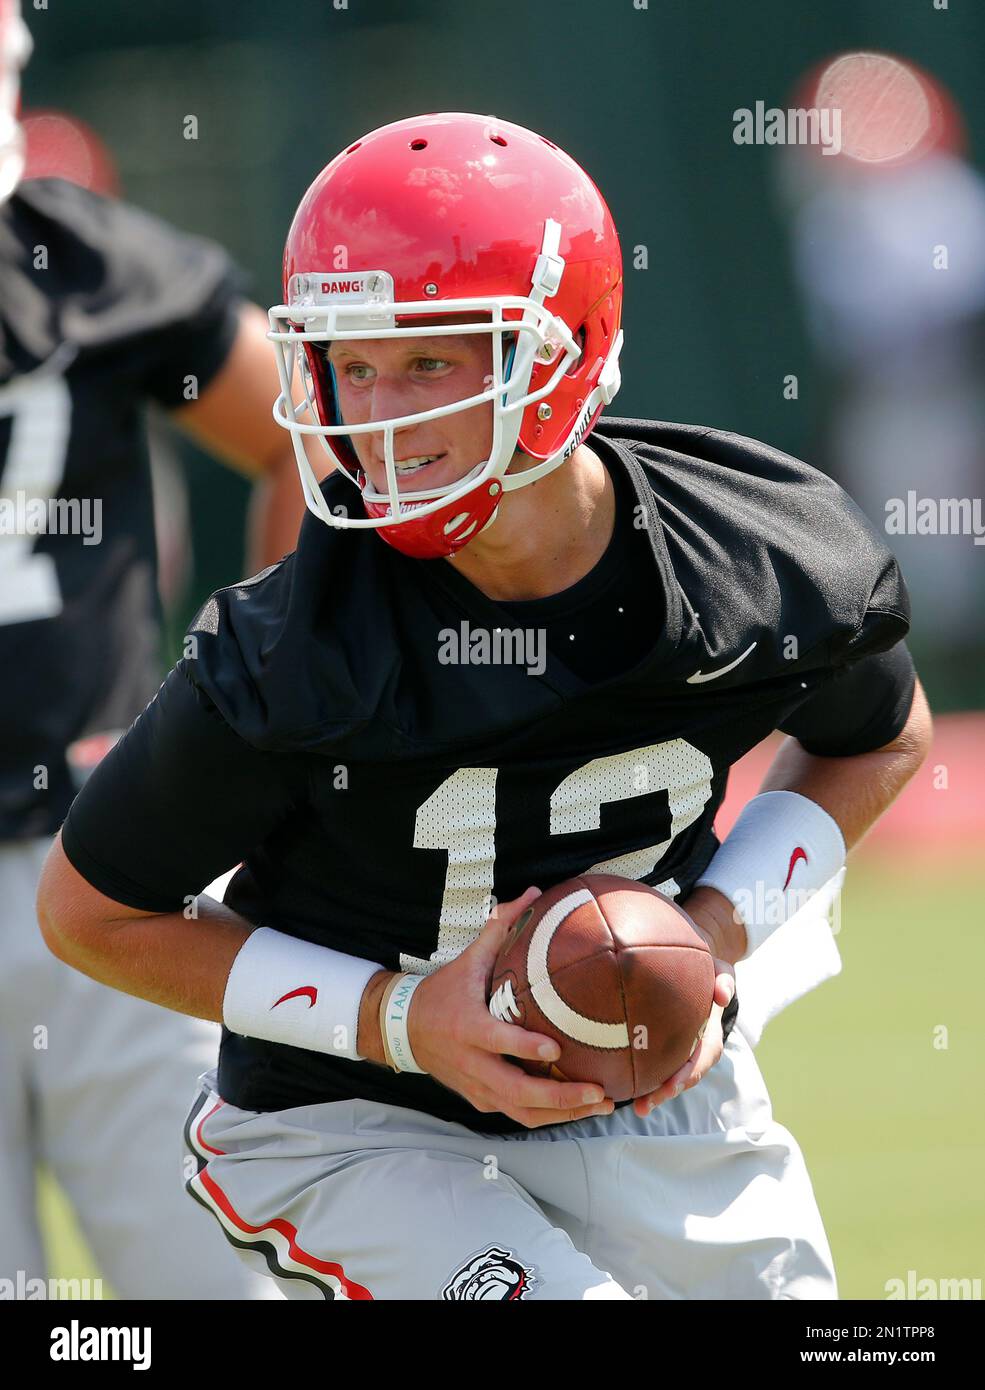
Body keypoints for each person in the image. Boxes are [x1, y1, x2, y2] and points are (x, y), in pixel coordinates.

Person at [37, 111, 931, 1300]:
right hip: (353, 1118)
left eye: (427, 362)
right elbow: (91, 911)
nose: (380, 417)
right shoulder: (294, 649)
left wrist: (713, 930)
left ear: (563, 354)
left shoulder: (757, 559)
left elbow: (878, 739)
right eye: (350, 365)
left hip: (640, 1076)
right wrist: (402, 1018)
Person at [0, 0, 305, 1297]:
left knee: (210, 1279)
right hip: (119, 858)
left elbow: (306, 442)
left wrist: (239, 702)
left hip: (110, 855)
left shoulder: (94, 264)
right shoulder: (91, 259)